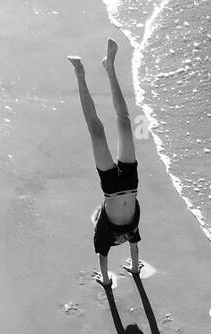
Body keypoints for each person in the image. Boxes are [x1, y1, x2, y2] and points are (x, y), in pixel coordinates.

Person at [68, 40, 144, 288]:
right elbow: (134, 246)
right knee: (124, 121)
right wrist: (134, 268)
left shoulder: (104, 235)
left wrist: (106, 281)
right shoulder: (131, 231)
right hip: (131, 184)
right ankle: (109, 66)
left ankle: (80, 74)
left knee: (96, 130)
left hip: (110, 187)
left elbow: (102, 257)